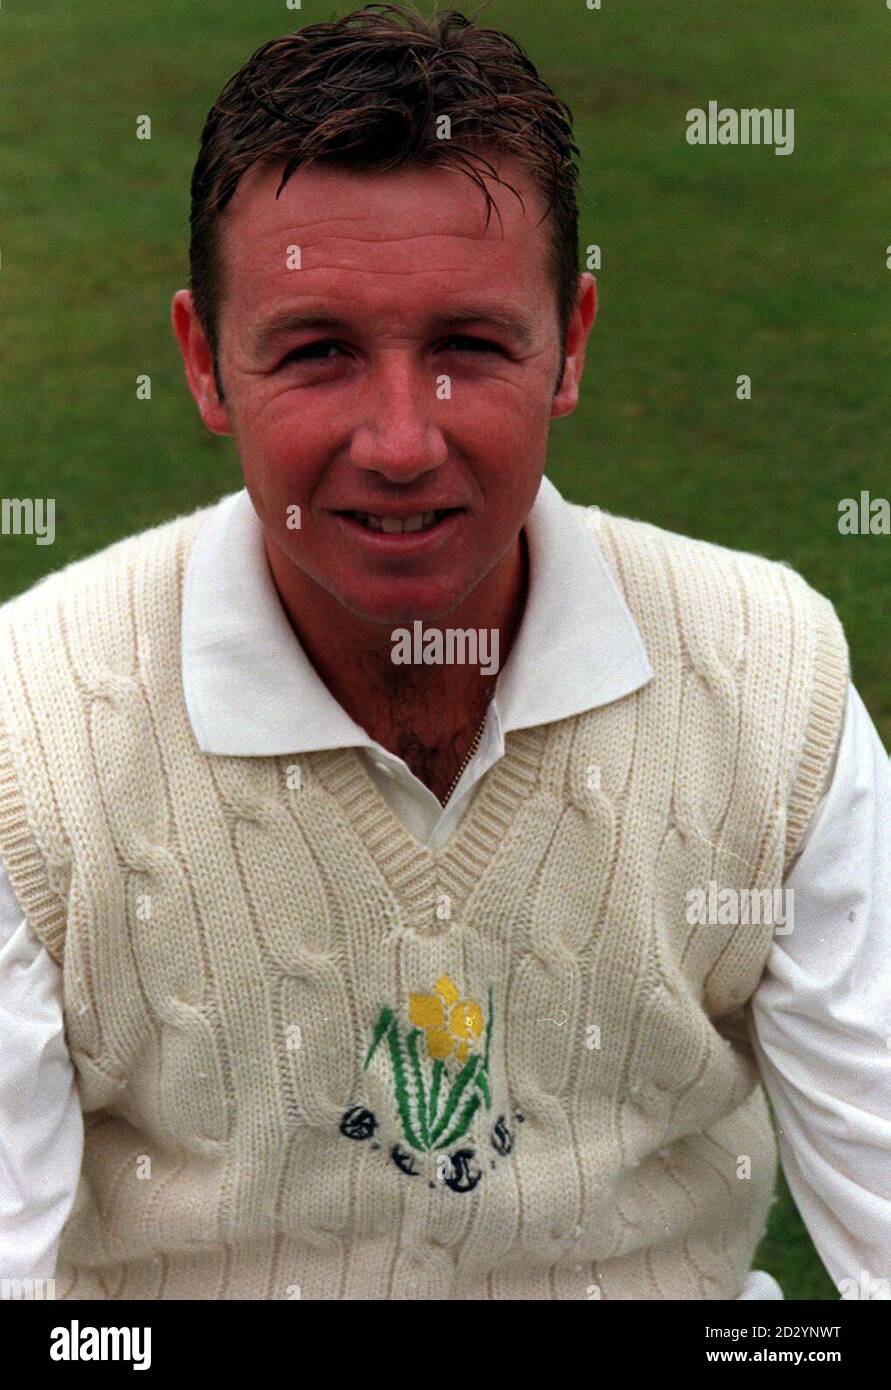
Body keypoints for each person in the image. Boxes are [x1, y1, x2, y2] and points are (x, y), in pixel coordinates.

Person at [0, 4, 888, 1302]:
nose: (403, 439)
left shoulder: (769, 678)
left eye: (470, 346)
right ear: (204, 363)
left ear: (572, 341)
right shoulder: (29, 727)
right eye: (318, 353)